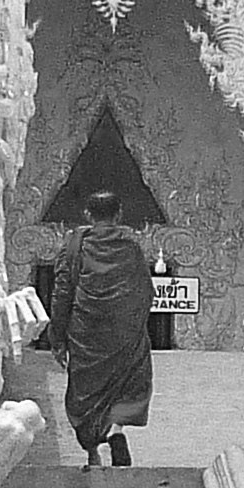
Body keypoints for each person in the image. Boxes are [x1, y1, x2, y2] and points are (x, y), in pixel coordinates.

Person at [46, 186, 152, 469]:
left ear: (87, 214)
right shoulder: (130, 246)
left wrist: (57, 337)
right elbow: (145, 291)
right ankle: (116, 431)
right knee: (125, 384)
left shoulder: (75, 245)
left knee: (87, 392)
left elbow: (62, 293)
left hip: (86, 331)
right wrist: (133, 324)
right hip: (123, 331)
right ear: (119, 215)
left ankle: (94, 450)